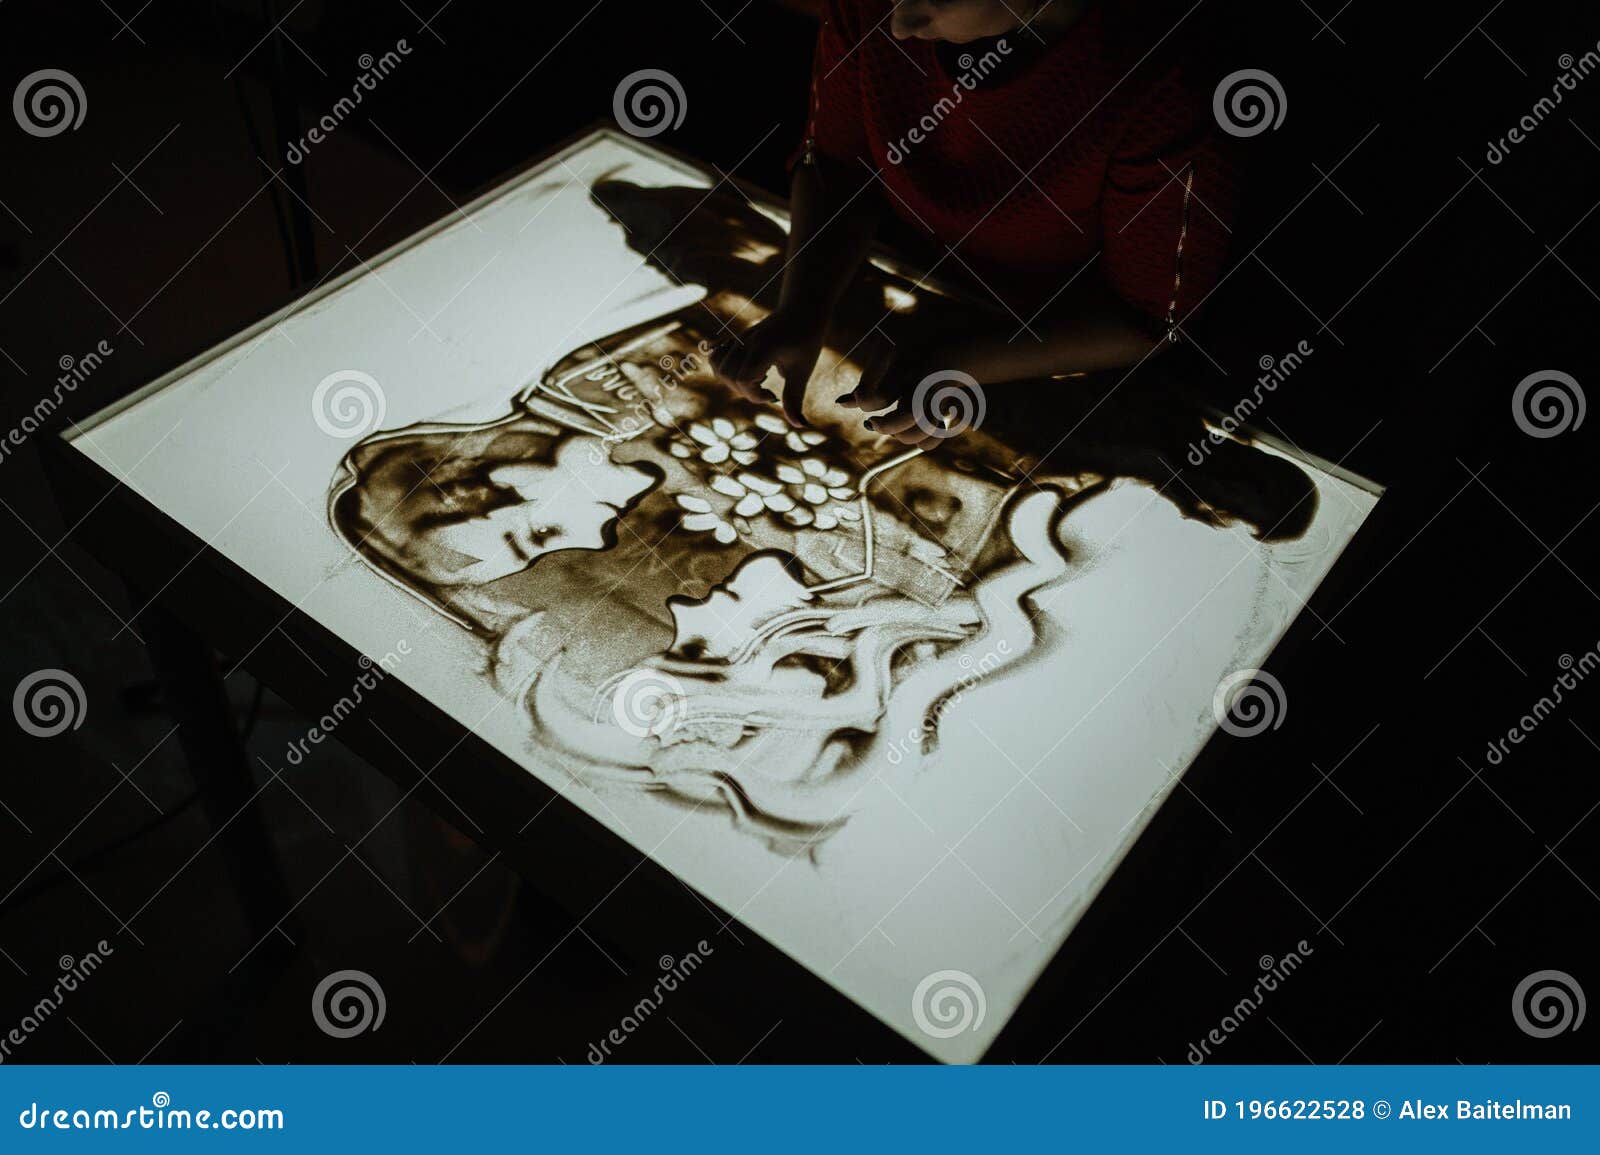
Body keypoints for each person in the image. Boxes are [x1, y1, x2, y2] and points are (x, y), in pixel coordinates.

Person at [713, 0, 1235, 443]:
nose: (898, 25)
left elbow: (1152, 318)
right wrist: (803, 306)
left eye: (927, 0)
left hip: (1061, 348)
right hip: (910, 287)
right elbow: (833, 166)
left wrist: (965, 360)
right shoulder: (874, 8)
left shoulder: (1159, 85)